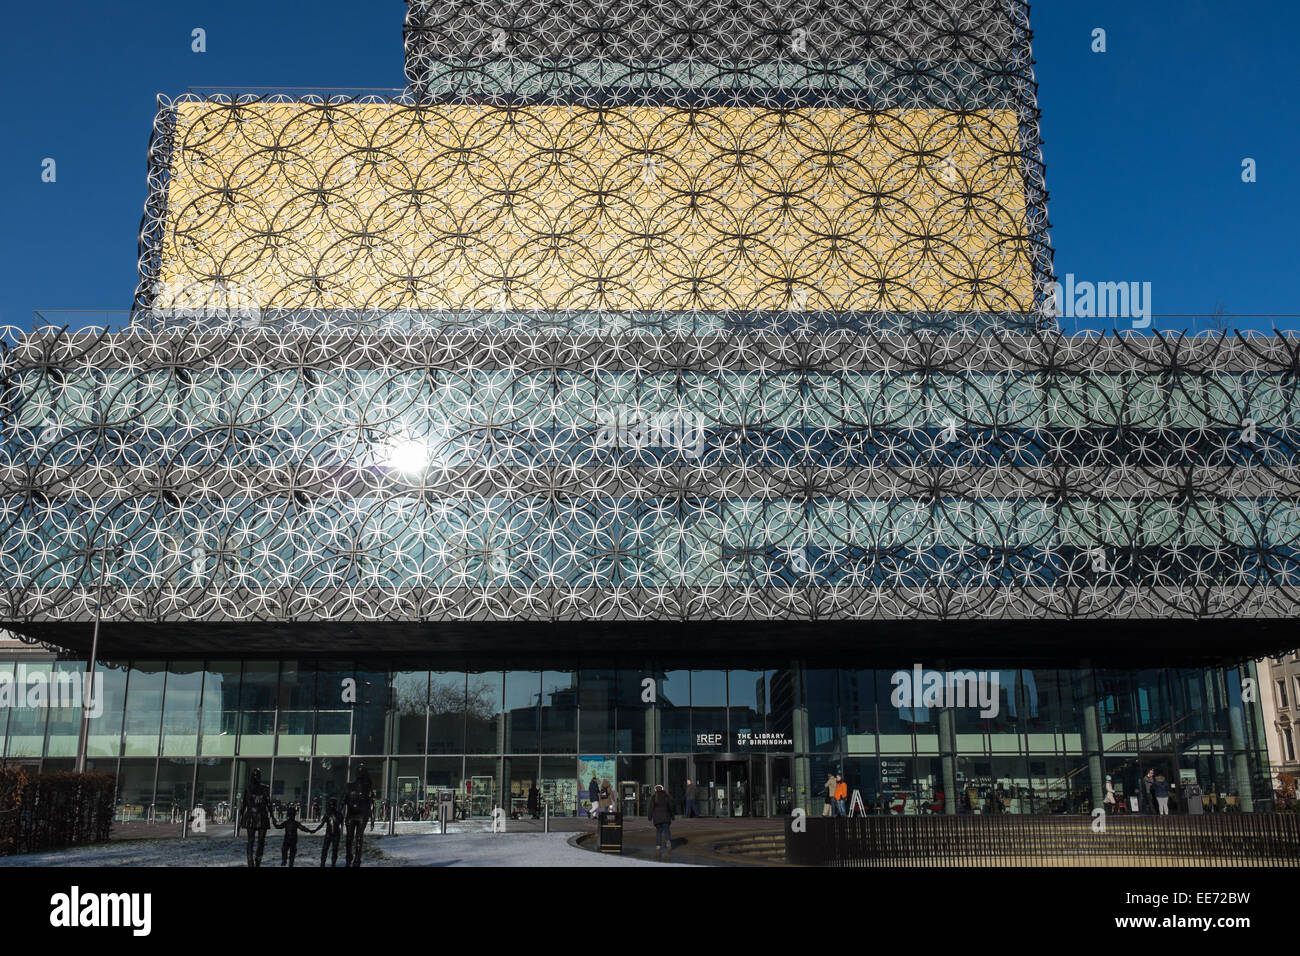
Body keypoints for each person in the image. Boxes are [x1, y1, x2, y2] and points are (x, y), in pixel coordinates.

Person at [237, 767, 272, 868]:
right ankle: (250, 862)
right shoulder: (248, 788)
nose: (256, 777)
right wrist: (240, 818)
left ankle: (257, 861)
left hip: (261, 815)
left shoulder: (265, 788)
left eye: (258, 775)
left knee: (261, 841)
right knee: (251, 841)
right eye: (255, 775)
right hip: (251, 816)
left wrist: (273, 816)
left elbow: (268, 803)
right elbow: (244, 804)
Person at [344, 764, 374, 867]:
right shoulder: (367, 786)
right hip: (360, 815)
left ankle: (350, 858)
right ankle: (356, 859)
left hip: (353, 815)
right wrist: (372, 819)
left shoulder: (350, 786)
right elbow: (370, 804)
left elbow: (343, 801)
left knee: (350, 838)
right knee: (358, 837)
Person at [313, 797, 344, 867]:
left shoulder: (332, 814)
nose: (331, 806)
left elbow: (341, 825)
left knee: (330, 850)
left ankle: (329, 864)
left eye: (331, 804)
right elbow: (341, 826)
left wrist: (315, 830)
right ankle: (325, 863)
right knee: (328, 849)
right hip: (331, 834)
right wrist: (315, 830)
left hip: (333, 834)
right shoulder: (332, 814)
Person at [647, 783, 675, 861]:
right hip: (666, 817)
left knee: (659, 832)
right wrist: (672, 816)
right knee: (666, 830)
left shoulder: (654, 797)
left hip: (657, 818)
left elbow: (651, 808)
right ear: (662, 789)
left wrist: (649, 817)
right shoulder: (666, 796)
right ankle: (668, 841)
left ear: (656, 790)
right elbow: (671, 807)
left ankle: (658, 845)